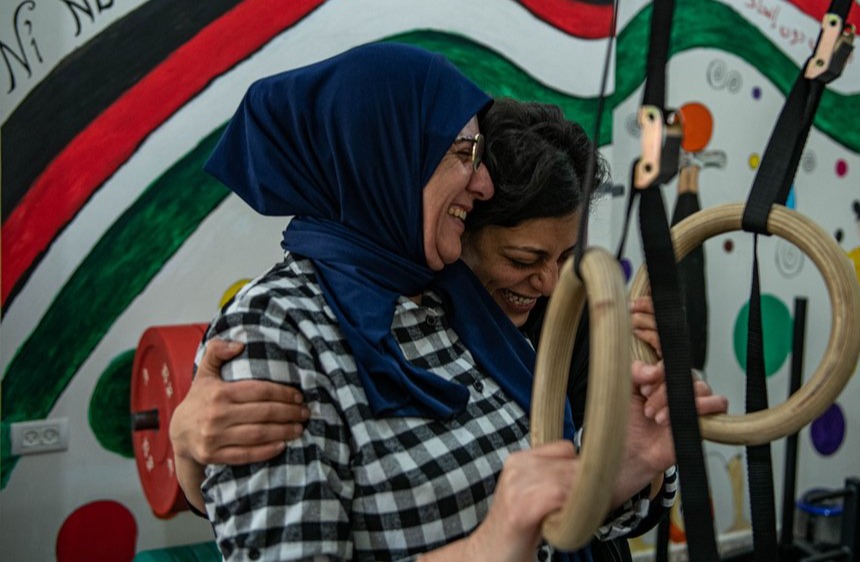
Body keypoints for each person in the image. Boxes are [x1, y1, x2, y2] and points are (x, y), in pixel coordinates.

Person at [175, 43, 726, 561]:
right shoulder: (277, 330)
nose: (483, 182)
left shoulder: (445, 303)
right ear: (384, 156)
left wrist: (619, 462)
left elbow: (540, 511)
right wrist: (489, 545)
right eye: (465, 154)